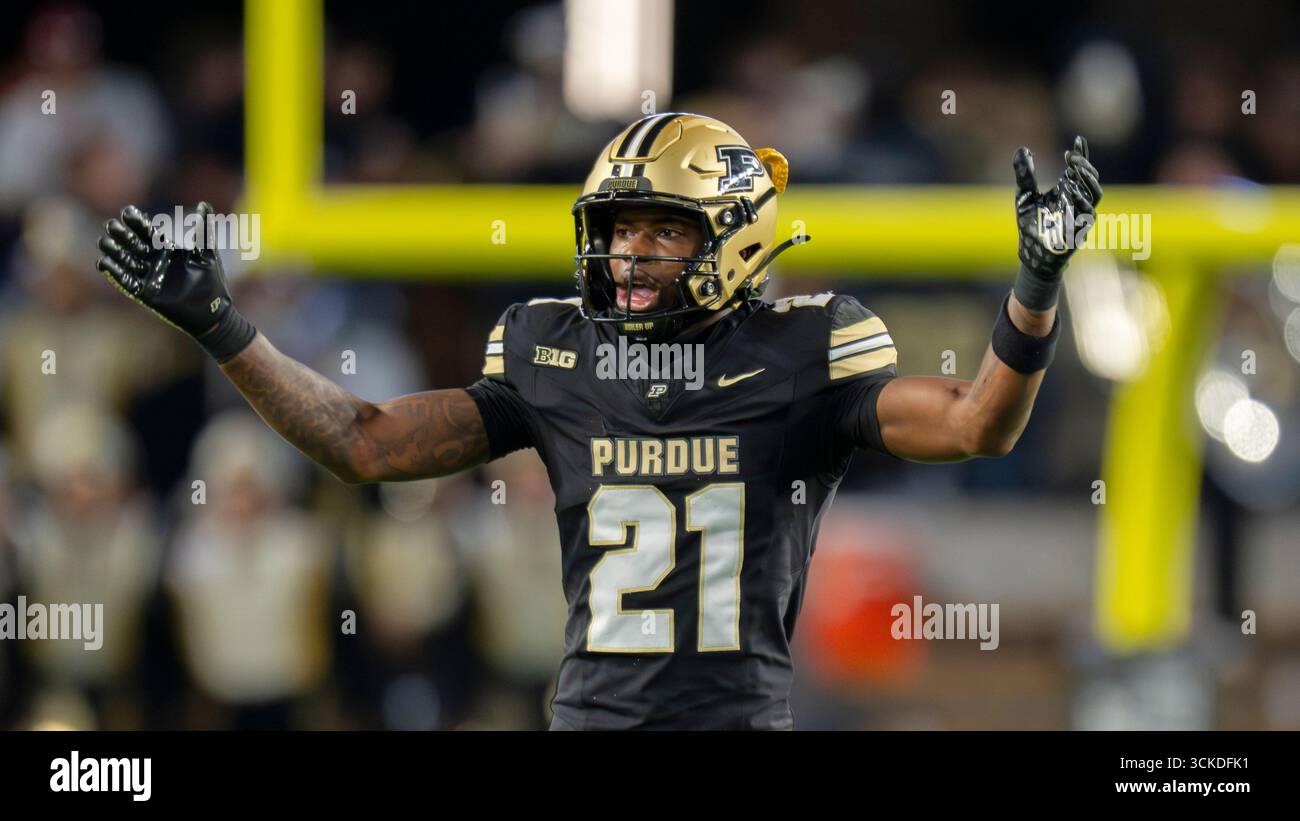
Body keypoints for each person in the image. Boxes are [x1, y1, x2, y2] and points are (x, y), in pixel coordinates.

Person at [95, 112, 1101, 730]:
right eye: (621, 231)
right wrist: (223, 326)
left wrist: (1034, 288)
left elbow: (978, 426)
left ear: (735, 236)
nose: (632, 255)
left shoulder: (806, 347)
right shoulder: (549, 346)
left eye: (665, 228)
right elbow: (363, 442)